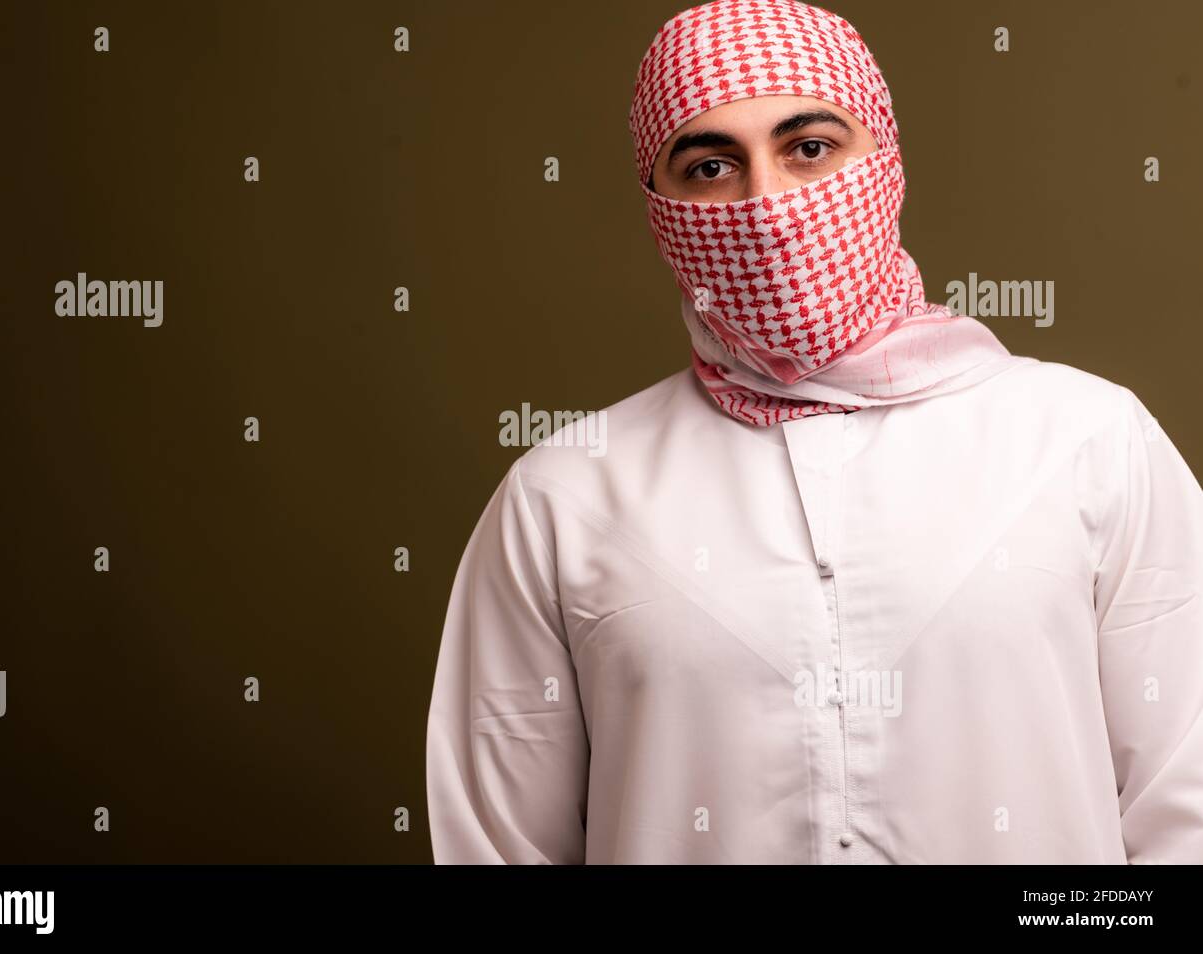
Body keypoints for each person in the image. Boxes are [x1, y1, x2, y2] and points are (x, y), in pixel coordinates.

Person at [424, 0, 1203, 864]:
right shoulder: (563, 496)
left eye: (809, 149)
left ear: (887, 163)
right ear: (660, 207)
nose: (767, 206)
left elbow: (1184, 810)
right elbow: (498, 847)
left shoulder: (1088, 442)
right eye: (712, 165)